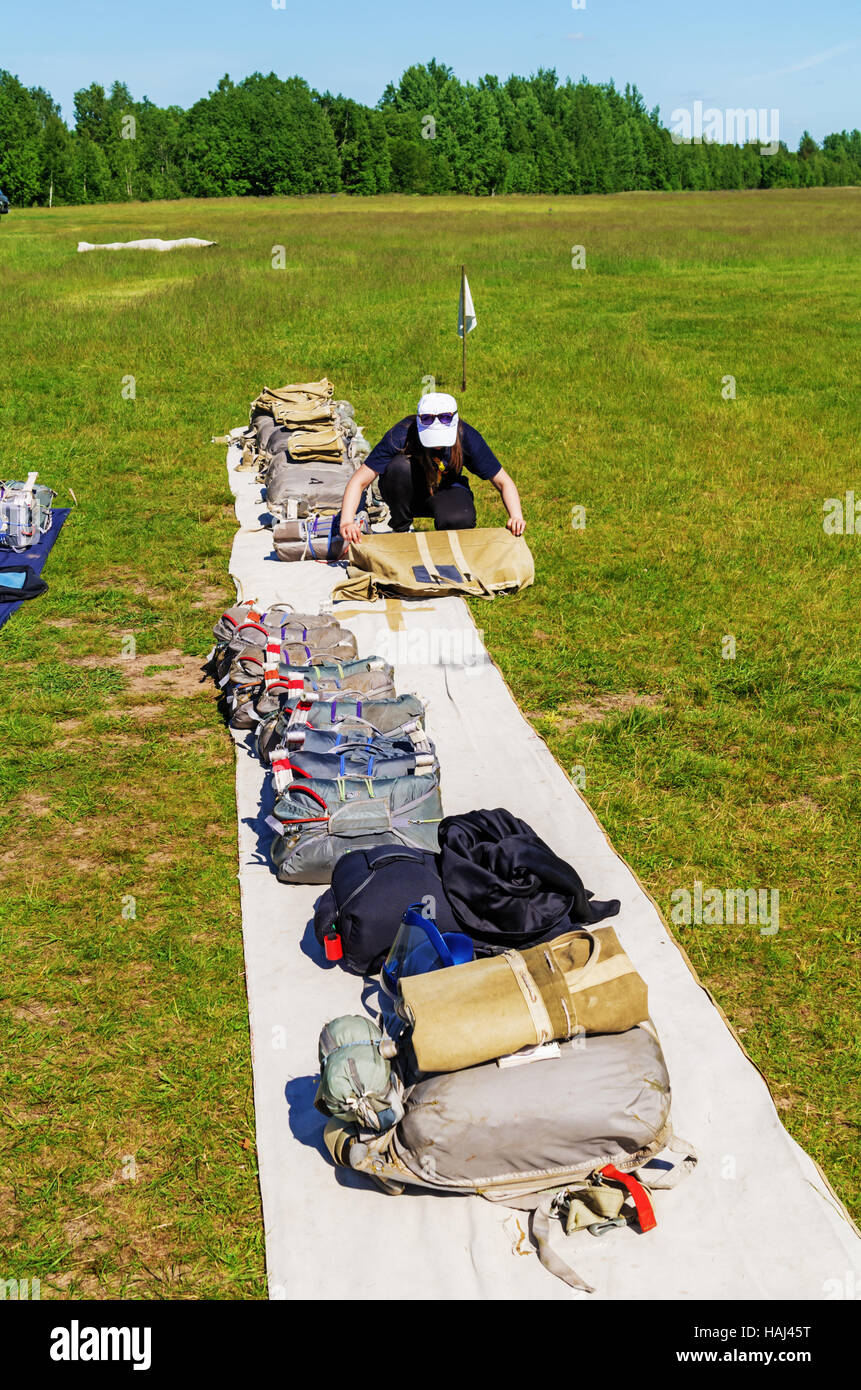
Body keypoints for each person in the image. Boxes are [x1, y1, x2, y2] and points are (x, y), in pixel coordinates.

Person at [339, 392, 525, 544]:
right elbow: (359, 481)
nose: (437, 445)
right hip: (409, 490)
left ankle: (446, 544)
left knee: (460, 519)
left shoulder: (466, 436)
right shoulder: (401, 433)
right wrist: (347, 521)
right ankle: (402, 530)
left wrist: (516, 516)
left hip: (446, 489)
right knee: (398, 467)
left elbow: (503, 481)